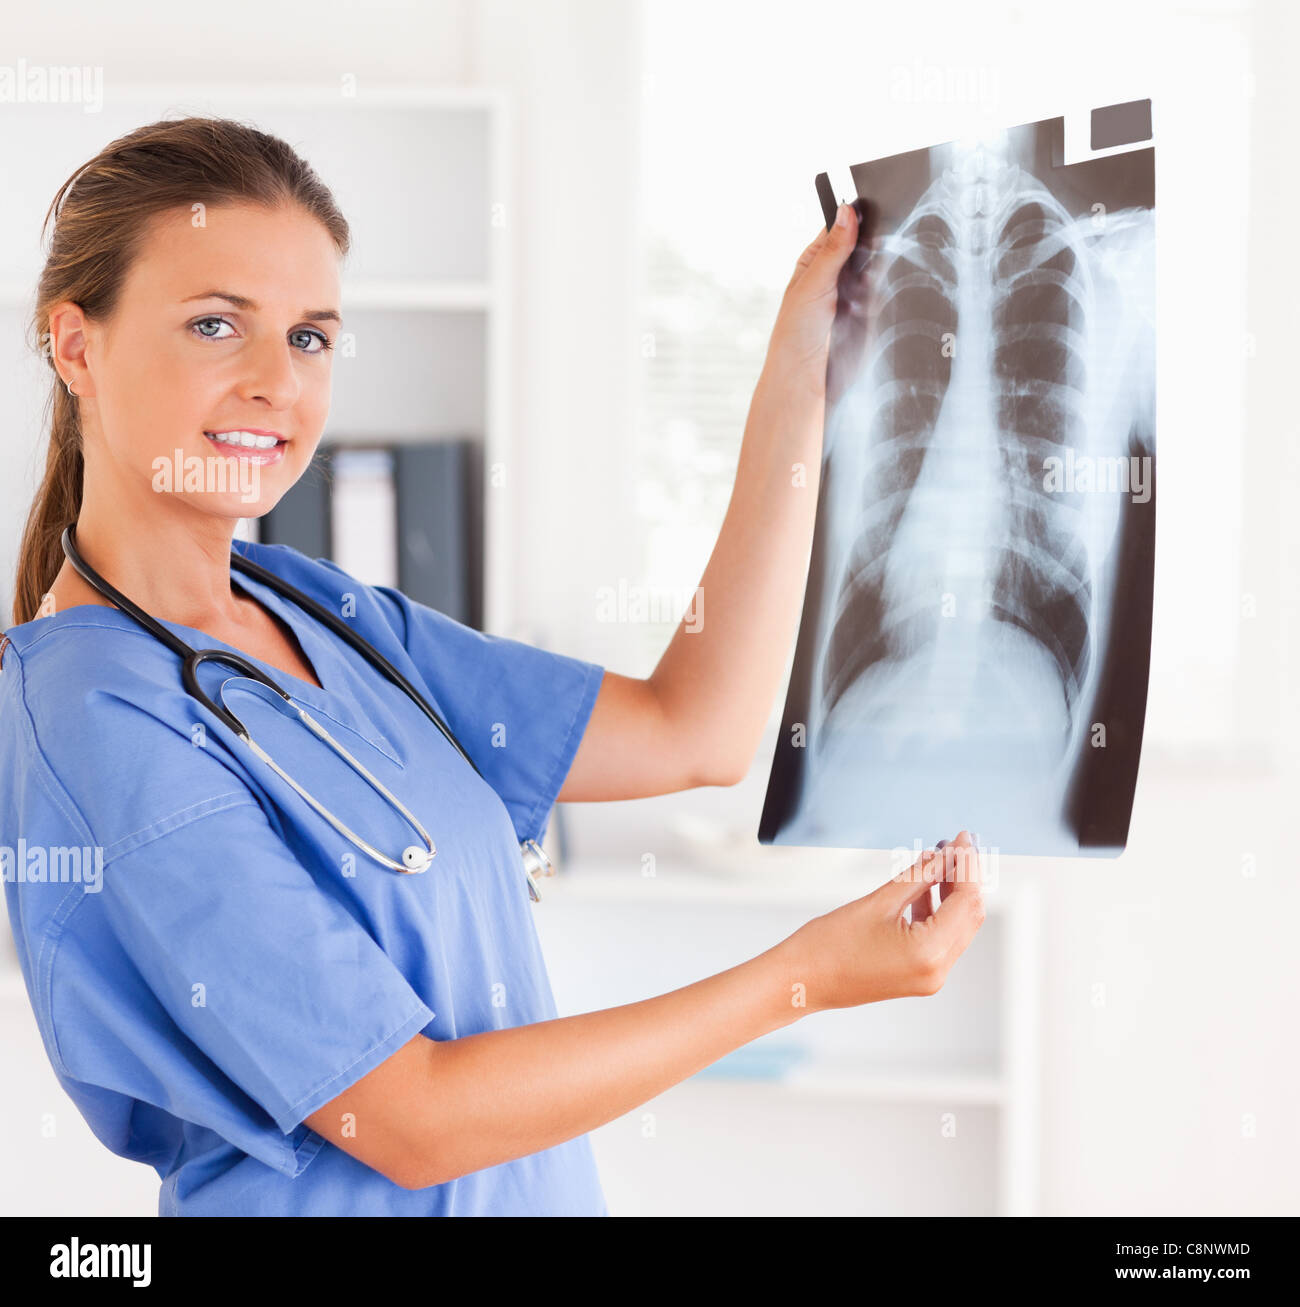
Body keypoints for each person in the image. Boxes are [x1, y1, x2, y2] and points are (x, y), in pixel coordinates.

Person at [0, 116, 985, 1217]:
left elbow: (691, 728)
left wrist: (804, 366)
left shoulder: (320, 610)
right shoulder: (97, 717)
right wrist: (801, 977)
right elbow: (410, 1118)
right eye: (217, 324)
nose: (277, 382)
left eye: (312, 336)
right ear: (76, 346)